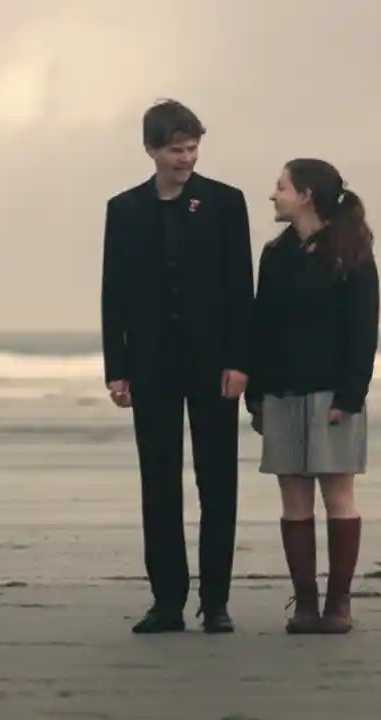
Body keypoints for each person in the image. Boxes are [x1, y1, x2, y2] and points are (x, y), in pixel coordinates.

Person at [100, 99, 254, 634]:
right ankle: (167, 602)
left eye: (192, 149)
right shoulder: (124, 209)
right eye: (175, 149)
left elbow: (241, 287)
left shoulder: (225, 203)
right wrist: (115, 368)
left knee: (218, 484)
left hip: (214, 365)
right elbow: (112, 293)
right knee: (159, 483)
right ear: (151, 149)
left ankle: (216, 603)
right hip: (151, 366)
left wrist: (241, 360)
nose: (185, 158)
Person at [247, 159, 380, 634]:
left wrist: (351, 395)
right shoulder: (276, 253)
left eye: (280, 187)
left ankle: (338, 604)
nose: (273, 195)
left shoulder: (351, 252)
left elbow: (363, 331)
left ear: (304, 194)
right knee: (293, 498)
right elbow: (261, 326)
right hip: (282, 392)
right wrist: (257, 395)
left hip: (333, 395)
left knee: (339, 495)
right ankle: (305, 603)